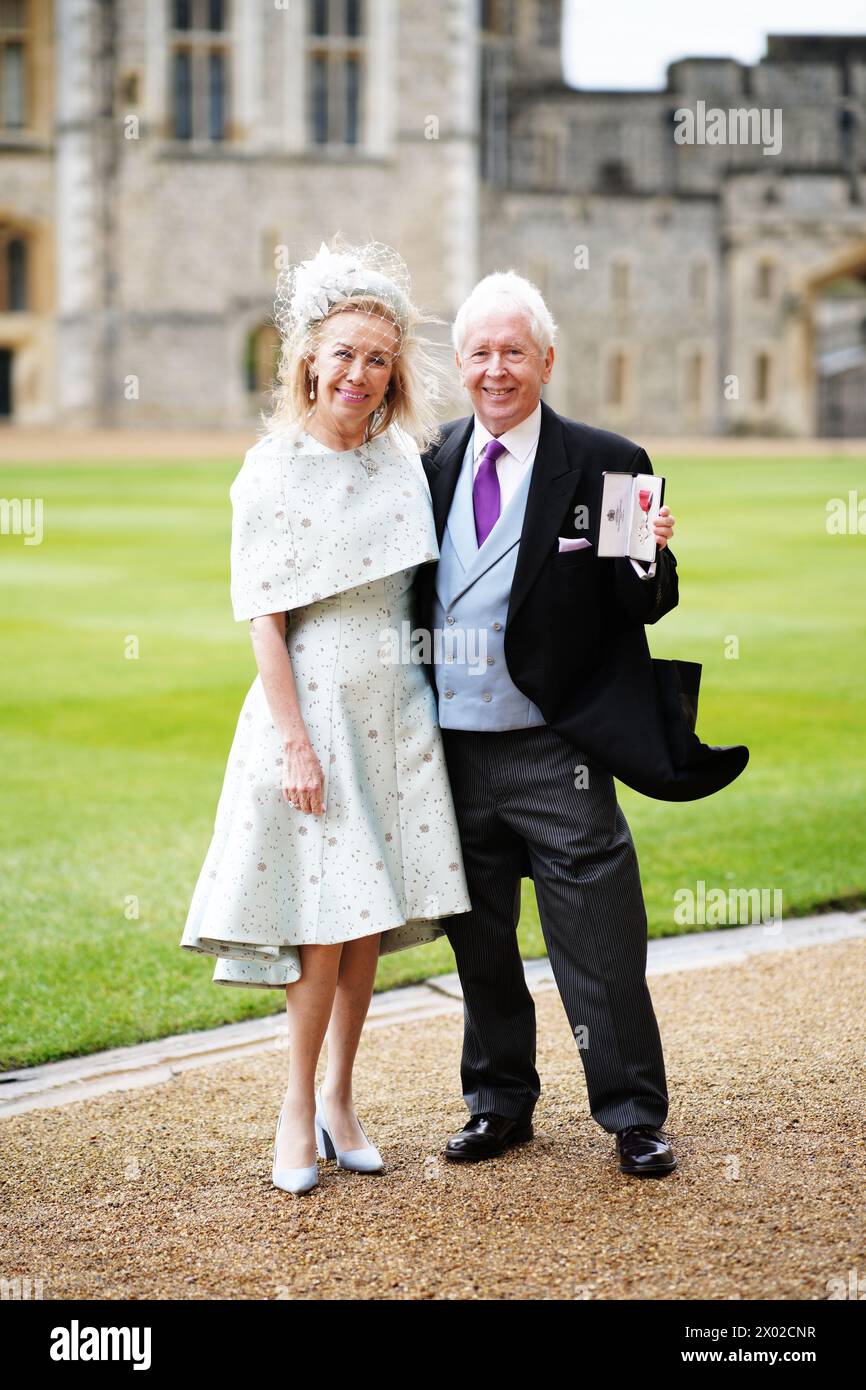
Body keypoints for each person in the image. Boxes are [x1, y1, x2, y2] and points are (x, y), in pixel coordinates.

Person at [413, 270, 747, 1177]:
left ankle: (634, 1113)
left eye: (513, 352)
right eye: (479, 352)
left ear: (547, 360)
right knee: (479, 942)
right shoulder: (431, 458)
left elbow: (643, 604)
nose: (495, 370)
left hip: (555, 746)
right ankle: (497, 1103)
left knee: (599, 941)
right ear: (459, 363)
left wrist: (650, 559)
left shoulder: (608, 462)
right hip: (452, 750)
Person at [180, 239, 472, 1195]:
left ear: (394, 373)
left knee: (365, 923)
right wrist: (296, 745)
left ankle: (344, 1096)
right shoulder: (270, 469)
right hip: (312, 712)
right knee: (321, 924)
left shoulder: (402, 462)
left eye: (377, 358)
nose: (358, 373)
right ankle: (295, 1106)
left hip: (399, 712)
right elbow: (265, 618)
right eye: (343, 352)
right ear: (309, 353)